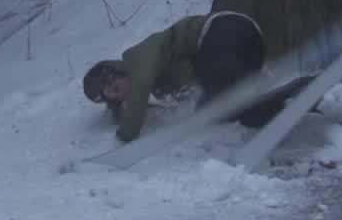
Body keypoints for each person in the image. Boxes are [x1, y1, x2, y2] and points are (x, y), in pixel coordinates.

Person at [82, 10, 284, 142]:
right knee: (214, 109)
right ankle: (280, 104)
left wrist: (126, 135)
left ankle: (279, 103)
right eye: (117, 98)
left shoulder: (137, 57)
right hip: (247, 51)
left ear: (118, 72)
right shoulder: (159, 84)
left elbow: (140, 86)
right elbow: (188, 90)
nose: (124, 96)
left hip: (224, 30)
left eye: (116, 88)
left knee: (221, 85)